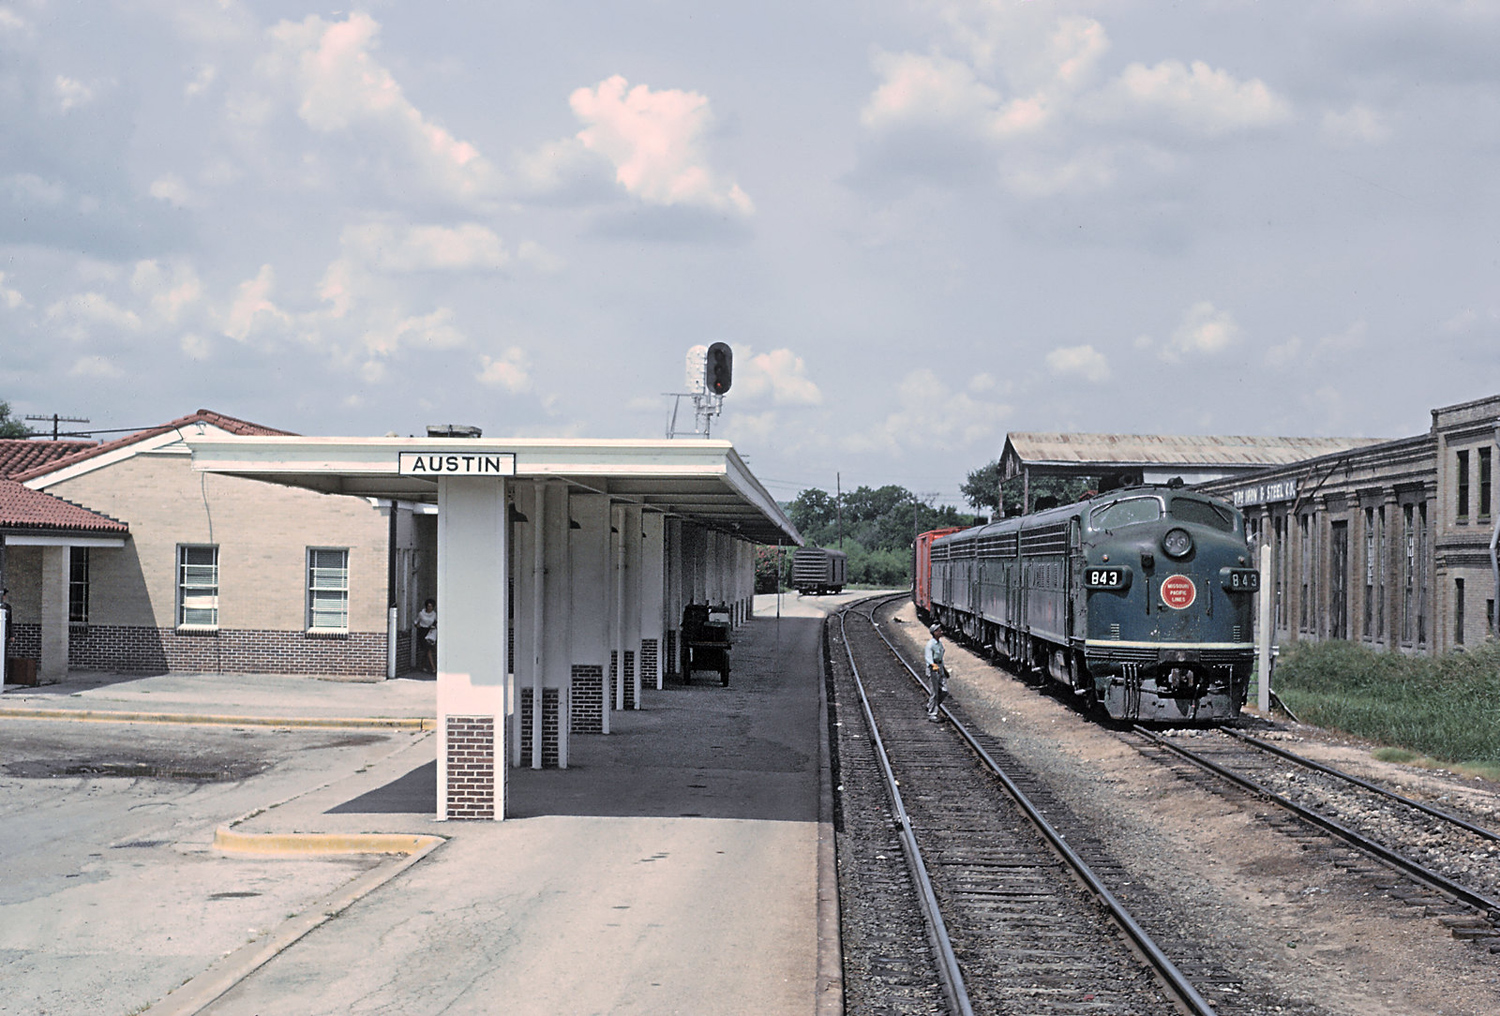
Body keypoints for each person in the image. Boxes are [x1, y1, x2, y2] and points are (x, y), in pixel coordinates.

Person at [925, 622, 949, 721]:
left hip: (940, 668)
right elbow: (928, 658)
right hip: (933, 669)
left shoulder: (939, 643)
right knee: (934, 692)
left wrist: (944, 669)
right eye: (939, 631)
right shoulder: (930, 644)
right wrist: (933, 666)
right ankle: (932, 713)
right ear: (934, 633)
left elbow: (940, 658)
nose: (941, 632)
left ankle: (931, 705)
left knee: (944, 691)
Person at [415, 598, 437, 672]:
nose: (429, 608)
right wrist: (417, 625)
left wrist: (434, 626)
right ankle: (432, 667)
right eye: (428, 606)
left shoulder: (434, 614)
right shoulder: (421, 613)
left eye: (431, 606)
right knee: (427, 650)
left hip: (430, 632)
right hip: (422, 631)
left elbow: (436, 622)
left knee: (428, 650)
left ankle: (424, 665)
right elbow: (416, 621)